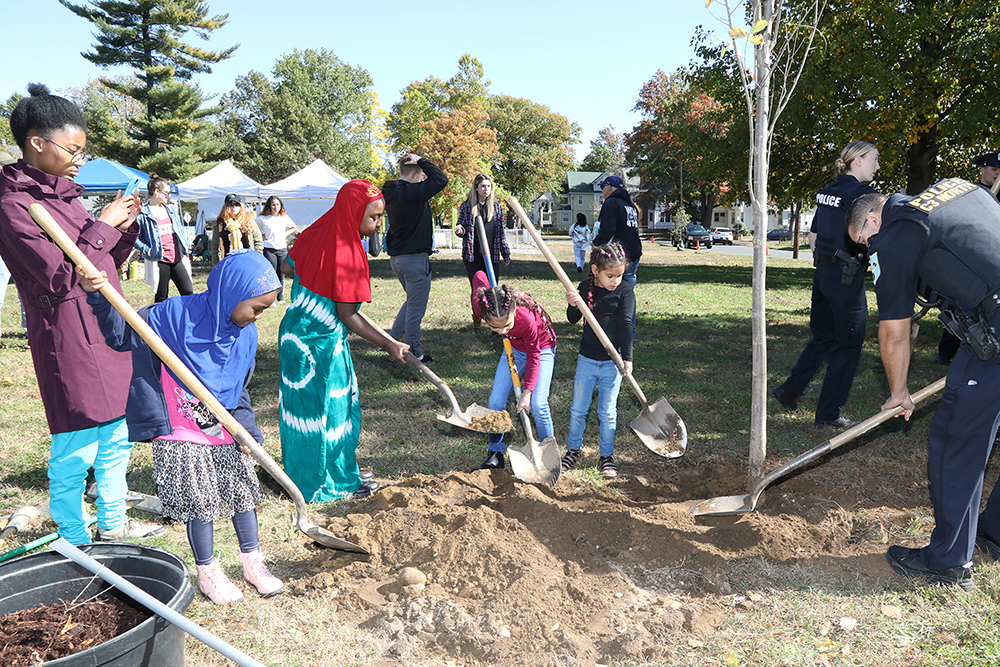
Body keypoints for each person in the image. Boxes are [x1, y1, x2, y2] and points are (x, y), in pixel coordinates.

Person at [0, 83, 162, 544]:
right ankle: (73, 534)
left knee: (116, 433)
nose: (79, 160)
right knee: (77, 437)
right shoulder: (13, 203)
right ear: (37, 143)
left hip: (105, 322)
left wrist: (122, 229)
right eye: (72, 149)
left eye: (83, 152)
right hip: (66, 332)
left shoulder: (65, 195)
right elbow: (54, 273)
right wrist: (102, 225)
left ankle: (113, 522)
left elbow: (98, 258)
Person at [80, 250, 284, 604]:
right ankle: (208, 572)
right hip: (179, 426)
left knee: (243, 494)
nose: (257, 317)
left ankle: (253, 563)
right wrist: (99, 295)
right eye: (256, 307)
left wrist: (248, 430)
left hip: (224, 427)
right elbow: (118, 335)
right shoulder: (171, 316)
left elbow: (240, 389)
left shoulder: (244, 335)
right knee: (199, 502)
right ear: (231, 293)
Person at [846, 178, 1000, 591]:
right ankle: (994, 532)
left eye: (863, 240)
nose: (867, 250)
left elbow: (892, 333)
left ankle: (947, 562)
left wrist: (898, 393)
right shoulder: (957, 189)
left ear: (874, 218)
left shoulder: (895, 235)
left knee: (956, 438)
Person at [278, 180, 409, 502]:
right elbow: (349, 315)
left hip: (294, 335)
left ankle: (314, 474)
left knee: (303, 414)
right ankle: (331, 484)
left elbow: (286, 265)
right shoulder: (349, 252)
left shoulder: (320, 231)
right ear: (353, 213)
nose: (378, 224)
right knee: (331, 412)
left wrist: (318, 280)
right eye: (375, 217)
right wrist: (390, 344)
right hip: (321, 346)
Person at [774, 141, 879, 429]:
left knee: (822, 338)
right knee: (847, 345)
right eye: (874, 159)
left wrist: (824, 267)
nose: (877, 166)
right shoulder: (864, 196)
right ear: (857, 161)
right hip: (847, 280)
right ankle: (829, 413)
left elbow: (814, 235)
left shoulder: (829, 191)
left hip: (823, 275)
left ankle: (790, 390)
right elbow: (871, 239)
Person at [470, 271, 557, 471]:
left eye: (507, 325)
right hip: (516, 349)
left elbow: (535, 356)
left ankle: (548, 456)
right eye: (495, 328)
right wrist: (484, 290)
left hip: (541, 348)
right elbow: (479, 275)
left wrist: (527, 392)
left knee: (538, 404)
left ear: (514, 311)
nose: (502, 332)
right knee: (495, 402)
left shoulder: (525, 318)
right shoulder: (483, 306)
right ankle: (495, 453)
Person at [561, 243, 635, 477]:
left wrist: (627, 358)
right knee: (578, 409)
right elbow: (573, 318)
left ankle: (607, 456)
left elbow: (626, 325)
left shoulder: (625, 291)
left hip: (613, 364)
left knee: (607, 412)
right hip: (587, 359)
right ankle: (573, 450)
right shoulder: (586, 287)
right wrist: (573, 303)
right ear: (595, 270)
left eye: (619, 275)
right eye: (610, 275)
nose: (615, 280)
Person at [382, 153, 448, 363]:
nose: (423, 181)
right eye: (421, 176)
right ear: (414, 173)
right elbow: (441, 180)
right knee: (415, 312)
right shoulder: (411, 192)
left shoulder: (391, 192)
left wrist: (420, 165)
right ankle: (415, 355)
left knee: (411, 302)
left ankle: (392, 340)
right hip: (415, 260)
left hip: (398, 260)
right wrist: (422, 161)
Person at [936, 152, 1000, 364]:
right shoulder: (970, 193)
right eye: (993, 169)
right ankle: (945, 353)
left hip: (995, 260)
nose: (997, 173)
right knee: (964, 307)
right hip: (971, 260)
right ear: (982, 169)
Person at [455, 173, 512, 330]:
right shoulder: (467, 206)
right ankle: (477, 322)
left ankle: (496, 321)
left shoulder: (497, 208)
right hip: (473, 255)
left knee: (493, 289)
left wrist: (505, 254)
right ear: (476, 188)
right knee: (478, 289)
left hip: (492, 255)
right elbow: (463, 228)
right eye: (483, 186)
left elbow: (500, 233)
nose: (486, 189)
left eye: (488, 186)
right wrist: (460, 230)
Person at [134, 174, 194, 303]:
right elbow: (134, 237)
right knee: (161, 296)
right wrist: (147, 250)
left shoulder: (171, 210)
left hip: (177, 258)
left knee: (188, 293)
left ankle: (190, 320)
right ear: (156, 192)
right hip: (159, 260)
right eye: (166, 192)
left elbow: (180, 231)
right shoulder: (143, 214)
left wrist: (186, 244)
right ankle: (157, 322)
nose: (168, 195)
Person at [592, 175, 642, 328]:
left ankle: (612, 329)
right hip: (634, 252)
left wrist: (596, 244)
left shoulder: (611, 202)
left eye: (602, 187)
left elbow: (608, 229)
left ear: (609, 187)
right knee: (628, 294)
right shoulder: (631, 205)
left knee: (613, 292)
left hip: (618, 256)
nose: (602, 191)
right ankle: (629, 331)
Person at [257, 195, 297, 304]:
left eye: (278, 204)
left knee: (281, 274)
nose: (276, 207)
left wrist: (285, 234)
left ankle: (281, 299)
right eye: (273, 205)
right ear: (269, 206)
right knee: (271, 274)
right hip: (269, 248)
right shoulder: (263, 218)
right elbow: (252, 226)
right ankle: (271, 299)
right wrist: (261, 236)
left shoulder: (284, 217)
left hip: (282, 248)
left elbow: (294, 227)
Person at [212, 194, 263, 263]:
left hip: (247, 260)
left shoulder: (248, 221)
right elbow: (214, 246)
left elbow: (258, 240)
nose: (234, 207)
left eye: (237, 204)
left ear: (241, 206)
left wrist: (256, 257)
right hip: (227, 261)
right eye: (231, 204)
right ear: (226, 207)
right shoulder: (220, 224)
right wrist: (216, 263)